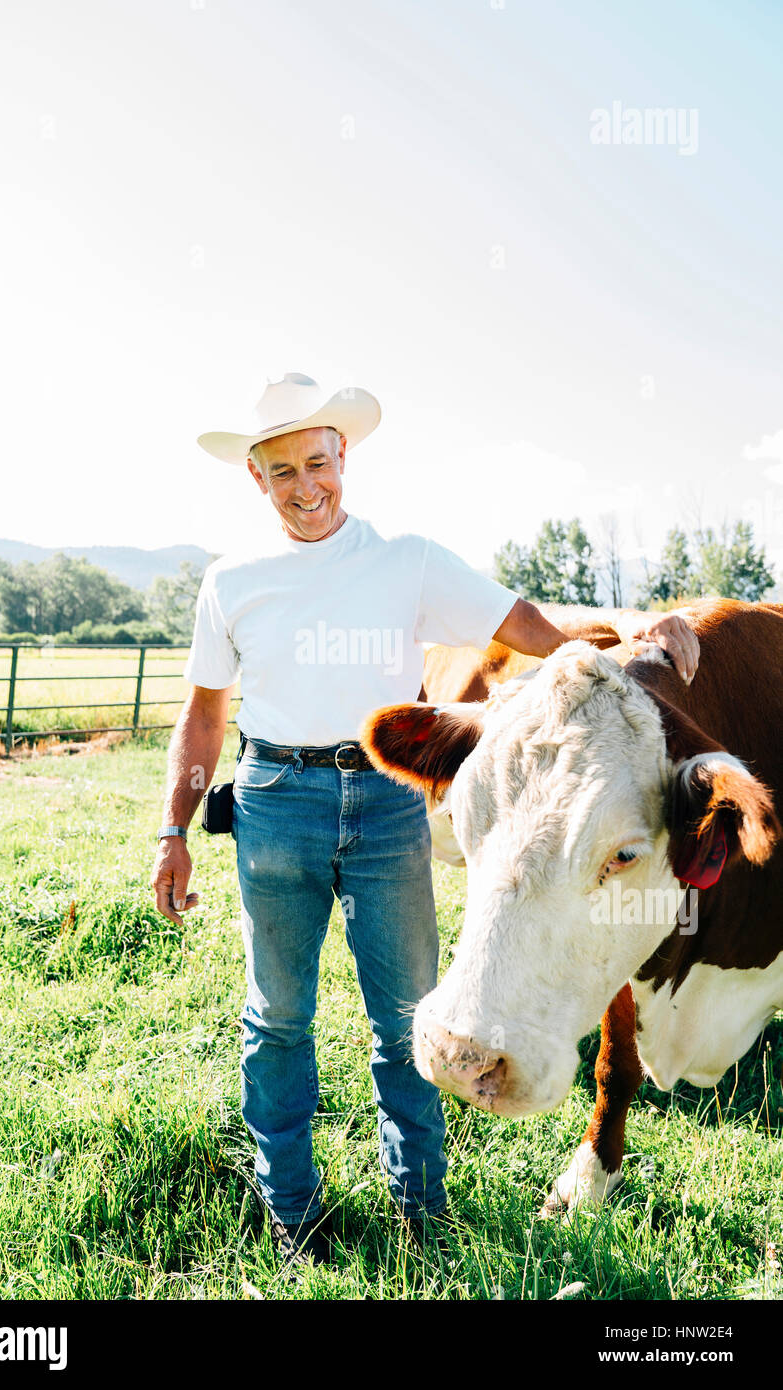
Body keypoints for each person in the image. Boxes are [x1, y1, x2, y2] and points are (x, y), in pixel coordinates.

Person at [151, 372, 699, 1266]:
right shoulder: (231, 581)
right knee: (276, 1018)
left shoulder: (405, 560)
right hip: (273, 801)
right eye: (283, 470)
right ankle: (292, 1210)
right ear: (257, 478)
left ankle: (421, 1208)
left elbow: (527, 626)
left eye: (318, 462)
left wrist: (633, 627)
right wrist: (174, 829)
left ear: (343, 460)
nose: (306, 485)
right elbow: (204, 714)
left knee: (407, 1015)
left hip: (380, 800)